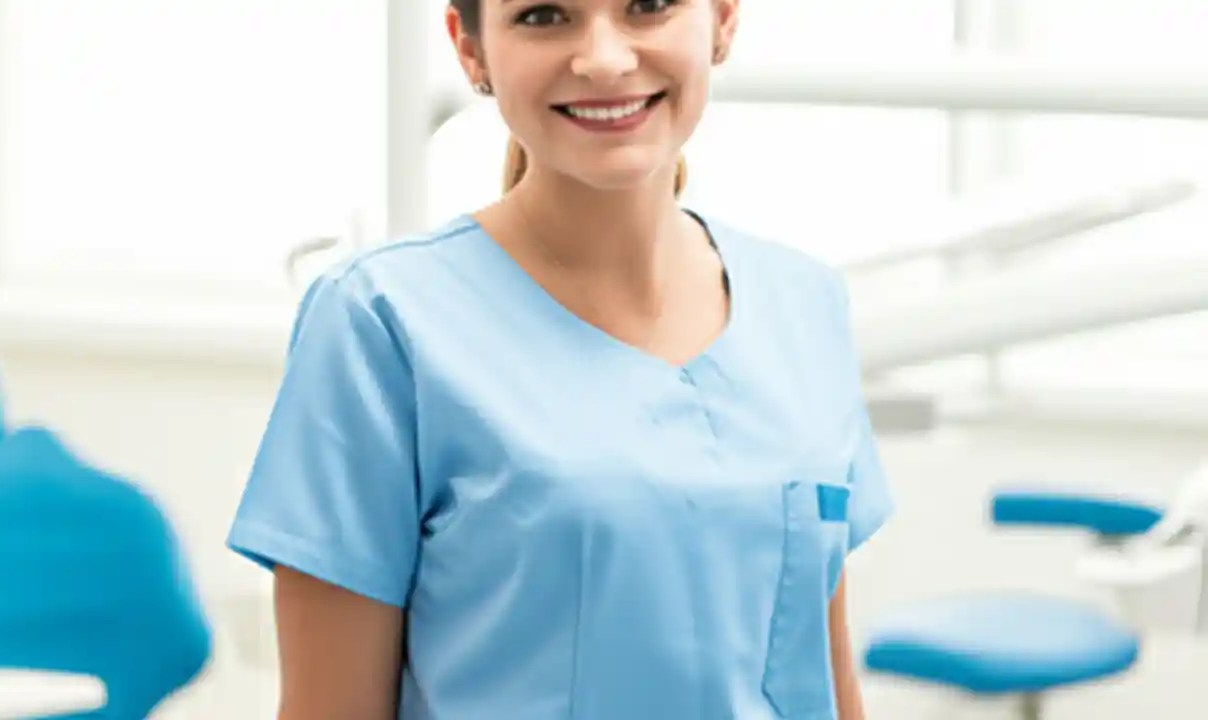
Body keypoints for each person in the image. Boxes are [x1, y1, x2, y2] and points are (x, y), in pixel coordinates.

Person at [226, 1, 894, 718]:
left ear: (723, 18)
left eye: (648, 5)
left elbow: (825, 681)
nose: (603, 58)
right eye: (545, 15)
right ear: (470, 49)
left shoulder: (805, 305)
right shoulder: (380, 325)